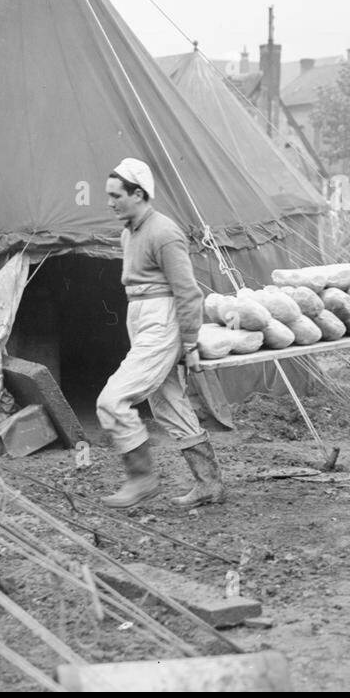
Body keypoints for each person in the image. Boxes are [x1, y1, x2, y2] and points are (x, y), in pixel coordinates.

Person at [96, 158, 225, 509]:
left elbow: (187, 291)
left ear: (138, 194)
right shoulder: (129, 233)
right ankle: (209, 484)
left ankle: (142, 478)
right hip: (140, 315)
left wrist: (189, 342)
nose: (109, 203)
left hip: (162, 318)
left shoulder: (164, 232)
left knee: (112, 400)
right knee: (167, 401)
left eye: (115, 196)